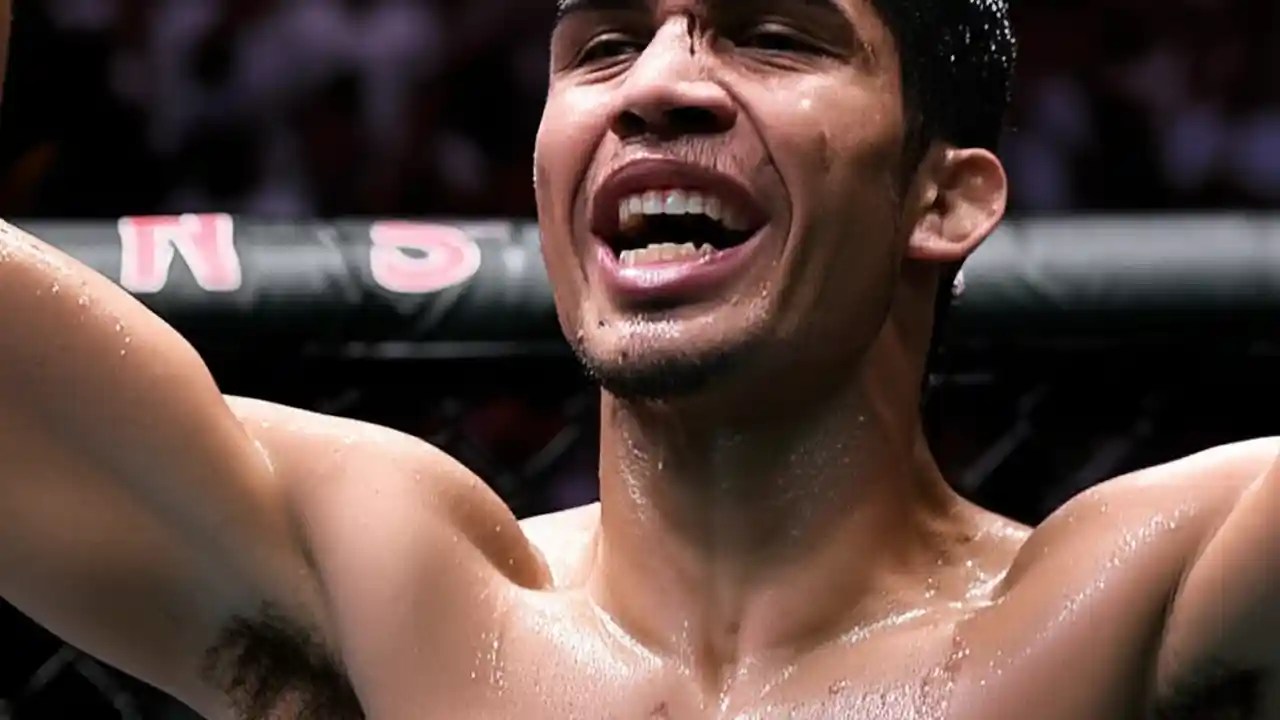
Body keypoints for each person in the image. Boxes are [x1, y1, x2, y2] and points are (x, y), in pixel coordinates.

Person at [1, 0, 1276, 717]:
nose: (655, 85)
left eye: (773, 35)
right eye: (603, 45)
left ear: (939, 200)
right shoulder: (391, 592)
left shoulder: (1137, 606)